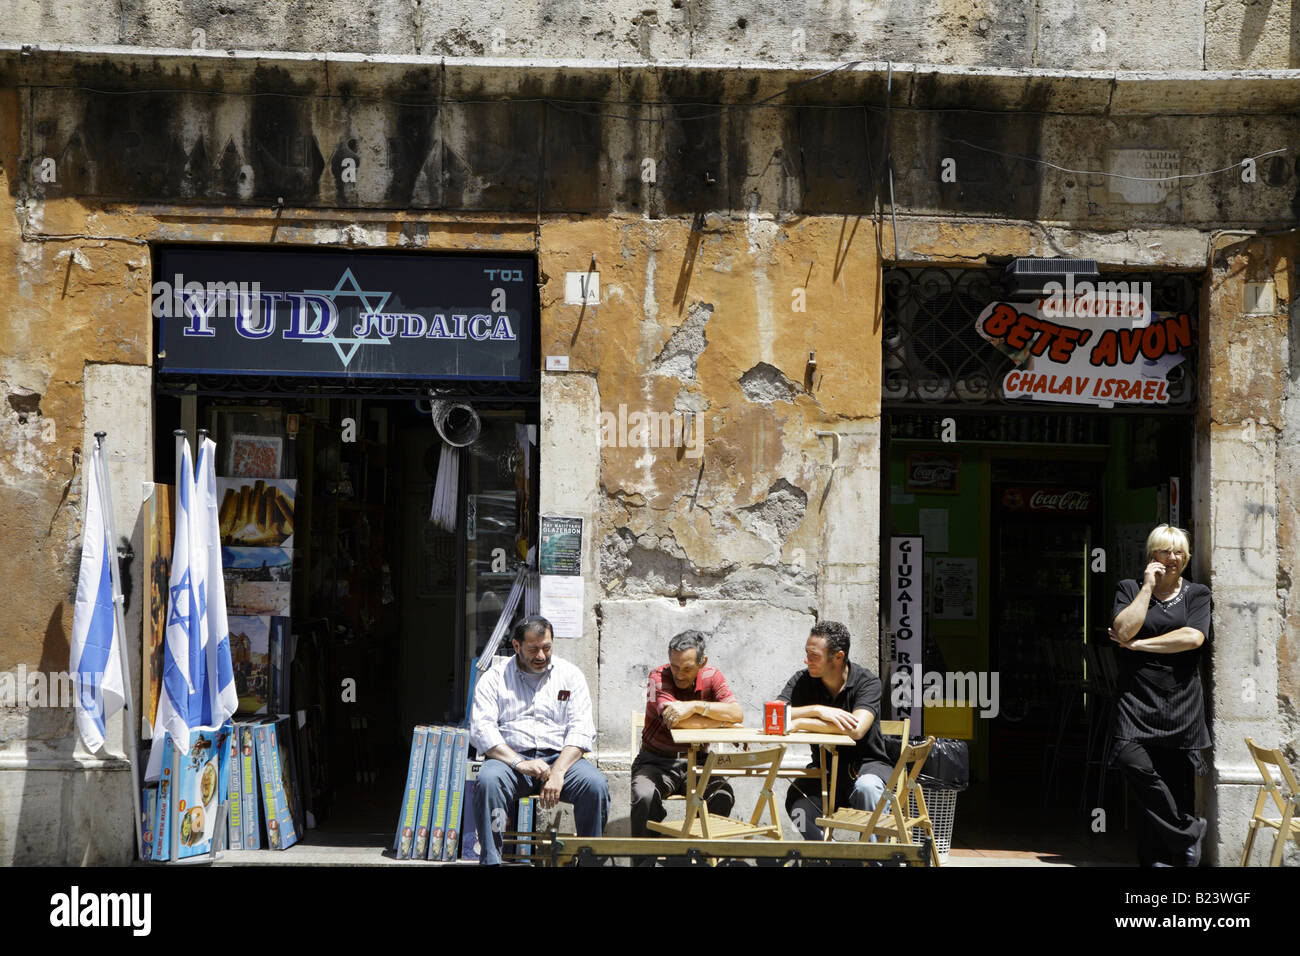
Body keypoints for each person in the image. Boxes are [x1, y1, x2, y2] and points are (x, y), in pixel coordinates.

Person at [468, 616, 610, 865]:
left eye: (547, 647)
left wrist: (559, 771)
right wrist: (519, 763)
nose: (542, 656)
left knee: (595, 785)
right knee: (488, 780)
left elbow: (581, 729)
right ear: (516, 646)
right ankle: (491, 860)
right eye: (533, 649)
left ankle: (591, 861)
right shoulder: (494, 677)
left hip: (560, 759)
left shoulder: (570, 675)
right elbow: (482, 730)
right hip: (511, 761)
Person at [1109, 524, 1211, 867]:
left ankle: (1160, 858)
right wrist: (1148, 588)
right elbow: (1123, 627)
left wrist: (1139, 645)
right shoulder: (1129, 588)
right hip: (1136, 696)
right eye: (1165, 551)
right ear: (1152, 554)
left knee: (1173, 780)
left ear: (1186, 557)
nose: (1172, 558)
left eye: (1179, 552)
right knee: (1130, 760)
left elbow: (1193, 638)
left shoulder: (1197, 594)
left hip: (1180, 698)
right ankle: (1186, 830)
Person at [776, 620, 894, 840]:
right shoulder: (803, 681)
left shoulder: (867, 682)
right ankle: (827, 857)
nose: (806, 660)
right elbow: (773, 715)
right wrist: (817, 710)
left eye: (814, 656)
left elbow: (856, 729)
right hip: (824, 771)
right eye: (807, 654)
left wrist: (801, 722)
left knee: (868, 789)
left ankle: (873, 860)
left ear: (838, 657)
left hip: (866, 767)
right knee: (797, 804)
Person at [631, 630, 743, 838]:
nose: (679, 674)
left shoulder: (712, 676)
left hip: (699, 761)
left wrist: (693, 706)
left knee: (722, 795)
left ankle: (697, 853)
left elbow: (737, 713)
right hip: (656, 762)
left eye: (687, 668)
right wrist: (722, 724)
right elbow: (677, 723)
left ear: (702, 662)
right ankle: (645, 859)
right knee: (644, 797)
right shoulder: (657, 677)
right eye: (675, 666)